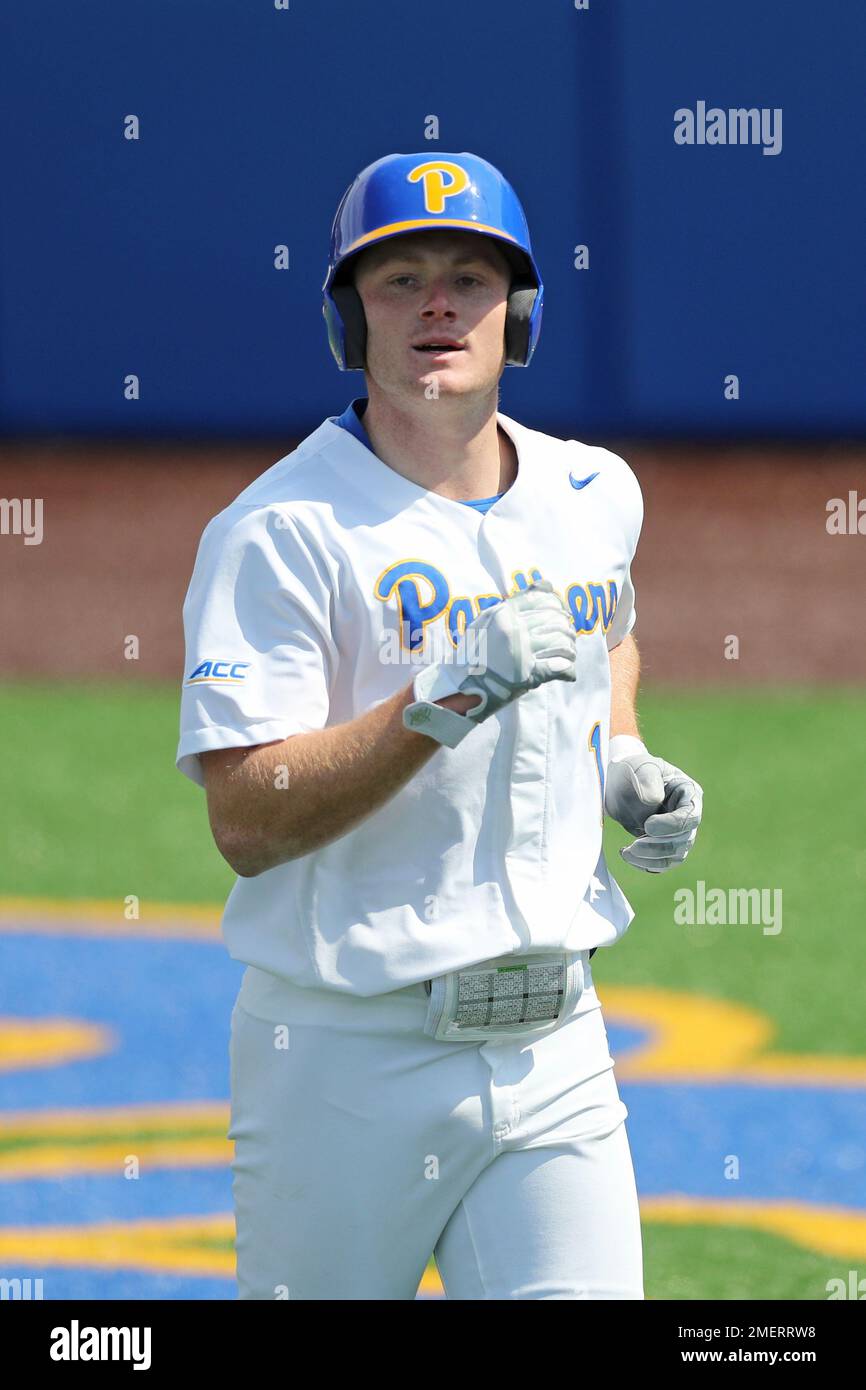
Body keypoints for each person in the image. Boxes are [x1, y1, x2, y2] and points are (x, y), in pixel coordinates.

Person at [177, 151, 704, 1300]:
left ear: (515, 314)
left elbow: (605, 622)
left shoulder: (590, 491)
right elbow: (244, 820)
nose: (435, 306)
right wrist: (440, 704)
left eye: (468, 277)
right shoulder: (278, 532)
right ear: (343, 317)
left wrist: (616, 749)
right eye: (397, 277)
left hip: (556, 1040)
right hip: (344, 1059)